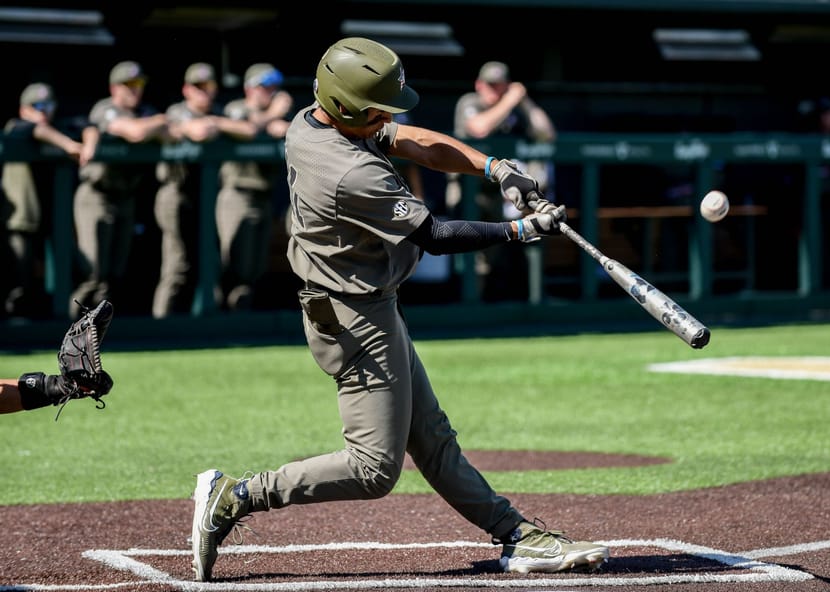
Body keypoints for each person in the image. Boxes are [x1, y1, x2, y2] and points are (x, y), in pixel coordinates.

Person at [190, 37, 608, 583]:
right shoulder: (349, 171)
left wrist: (496, 168)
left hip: (369, 303)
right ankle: (236, 494)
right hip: (352, 316)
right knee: (373, 468)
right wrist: (521, 229)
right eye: (377, 110)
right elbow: (434, 235)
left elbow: (416, 142)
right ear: (346, 106)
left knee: (431, 437)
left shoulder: (311, 121)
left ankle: (516, 535)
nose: (387, 118)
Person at [152, 63, 258, 318]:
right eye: (198, 87)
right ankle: (163, 325)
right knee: (178, 265)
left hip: (207, 196)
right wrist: (213, 125)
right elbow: (198, 132)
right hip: (176, 193)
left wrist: (217, 122)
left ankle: (197, 322)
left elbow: (249, 130)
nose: (204, 92)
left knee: (210, 263)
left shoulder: (218, 112)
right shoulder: (177, 111)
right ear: (187, 89)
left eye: (208, 87)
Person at [448, 61, 557, 301]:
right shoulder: (470, 102)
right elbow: (479, 129)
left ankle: (492, 304)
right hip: (469, 192)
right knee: (470, 253)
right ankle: (468, 306)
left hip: (499, 195)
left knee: (497, 255)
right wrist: (509, 100)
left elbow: (546, 134)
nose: (494, 90)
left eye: (499, 86)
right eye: (490, 85)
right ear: (479, 84)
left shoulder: (515, 107)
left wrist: (524, 101)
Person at [69, 61, 170, 318]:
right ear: (114, 88)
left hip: (125, 197)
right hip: (96, 195)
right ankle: (68, 327)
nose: (135, 90)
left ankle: (98, 332)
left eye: (139, 84)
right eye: (129, 85)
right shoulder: (105, 109)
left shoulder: (146, 111)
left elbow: (174, 134)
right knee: (92, 273)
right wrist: (160, 121)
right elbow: (135, 132)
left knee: (114, 275)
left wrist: (157, 124)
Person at [215, 62, 293, 311]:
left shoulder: (271, 117)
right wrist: (275, 114)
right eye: (264, 86)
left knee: (254, 269)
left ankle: (241, 317)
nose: (270, 92)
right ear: (250, 88)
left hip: (262, 197)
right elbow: (249, 128)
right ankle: (220, 319)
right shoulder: (237, 107)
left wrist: (281, 123)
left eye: (273, 87)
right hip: (236, 194)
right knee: (233, 264)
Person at [2, 83, 82, 318]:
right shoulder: (16, 127)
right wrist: (69, 145)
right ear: (24, 109)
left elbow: (85, 125)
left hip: (48, 219)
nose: (44, 111)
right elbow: (36, 130)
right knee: (19, 278)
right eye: (37, 106)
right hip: (20, 219)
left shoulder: (59, 128)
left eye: (48, 106)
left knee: (53, 277)